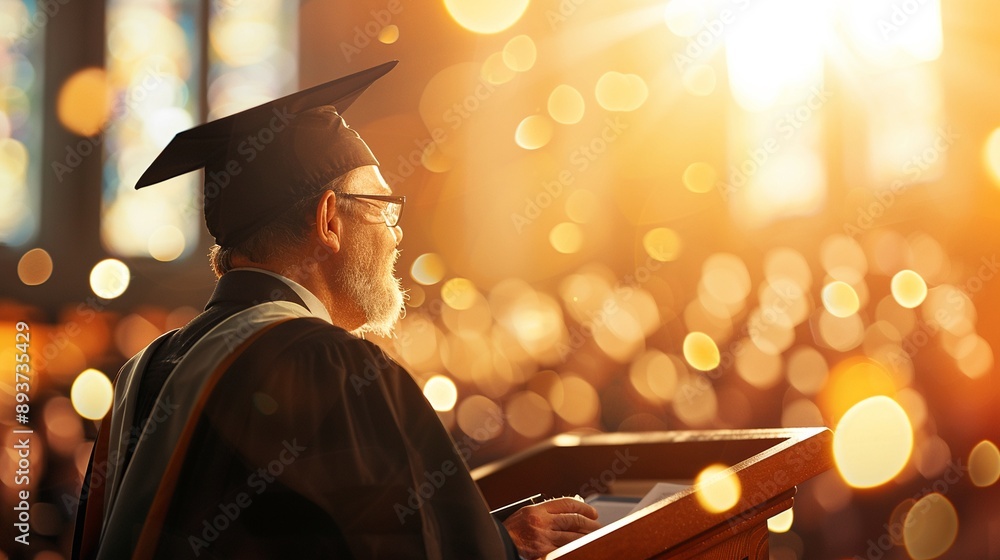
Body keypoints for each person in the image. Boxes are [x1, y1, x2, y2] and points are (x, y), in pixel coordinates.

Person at [71, 61, 600, 559]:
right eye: (381, 207)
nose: (395, 235)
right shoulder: (329, 365)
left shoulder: (142, 372)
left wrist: (489, 533)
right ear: (329, 220)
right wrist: (505, 547)